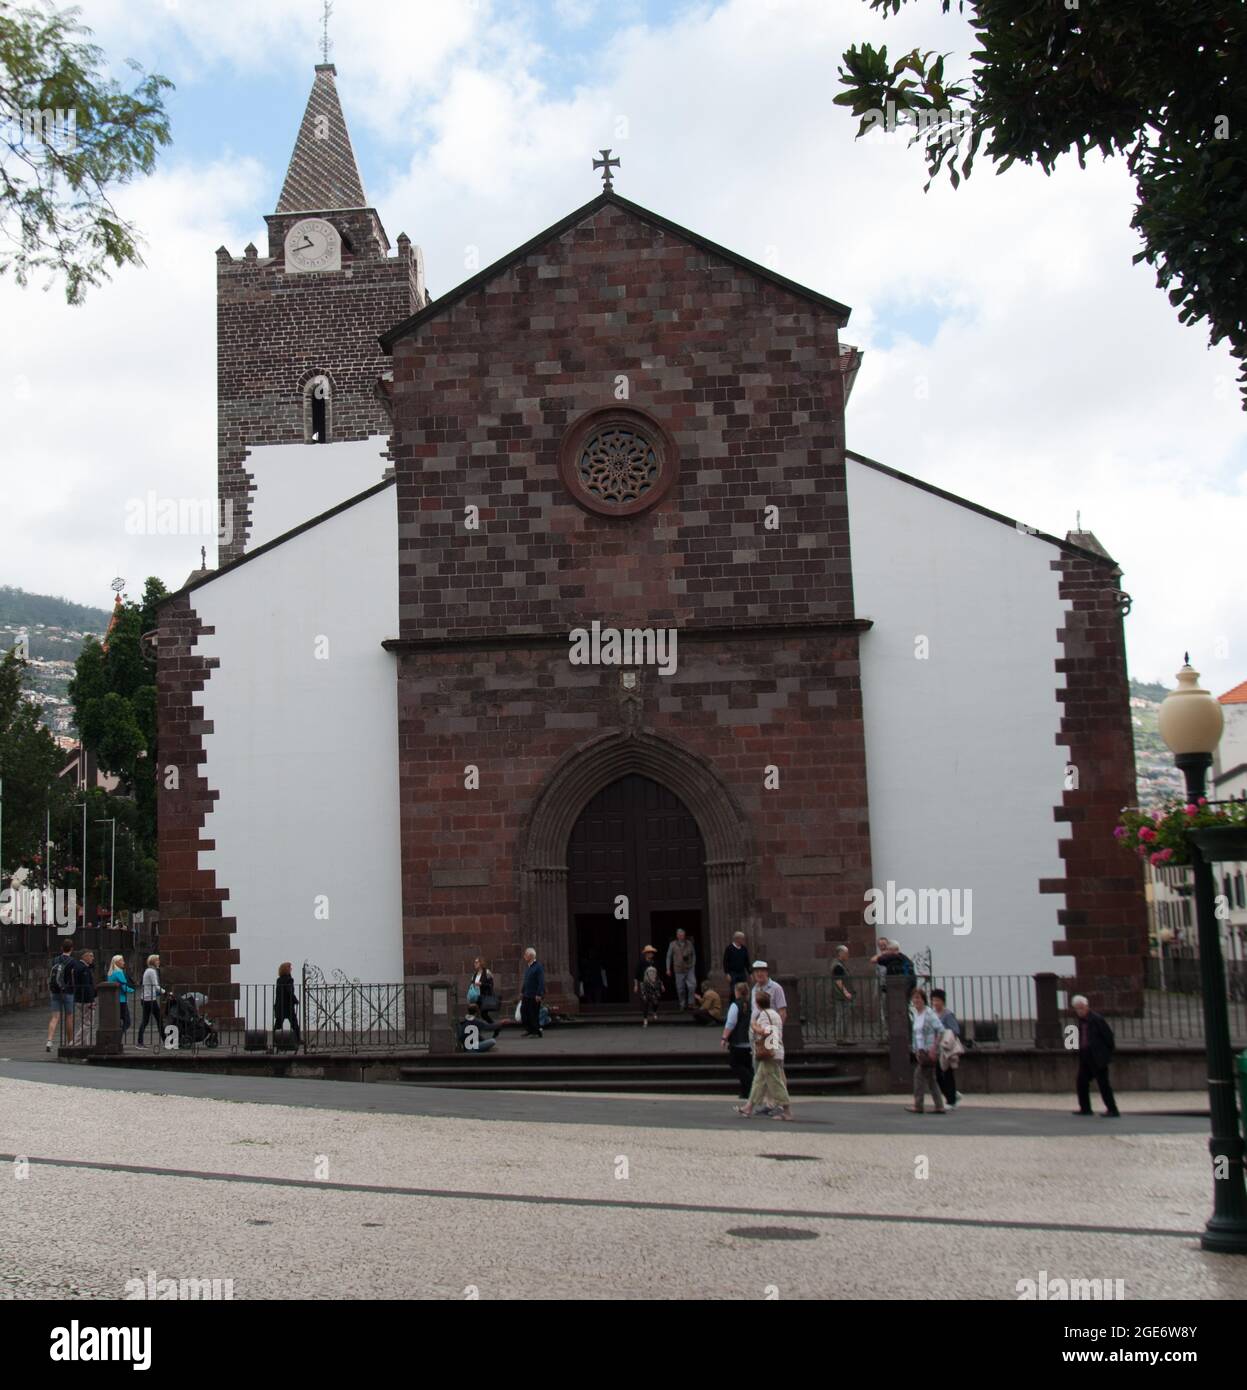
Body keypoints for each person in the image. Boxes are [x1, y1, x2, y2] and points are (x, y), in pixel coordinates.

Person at [736, 989, 793, 1120]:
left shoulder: (763, 1015)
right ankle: (748, 1107)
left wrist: (755, 1027)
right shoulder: (775, 1014)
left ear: (757, 1003)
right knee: (759, 1080)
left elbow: (767, 1031)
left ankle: (787, 1111)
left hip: (769, 1053)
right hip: (777, 1050)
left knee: (774, 1081)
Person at [1071, 995, 1119, 1117]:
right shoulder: (1080, 1021)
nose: (1079, 1011)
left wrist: (1106, 1055)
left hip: (1097, 1057)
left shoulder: (1097, 1019)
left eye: (1081, 1008)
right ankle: (1085, 1108)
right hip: (1086, 1056)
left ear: (1087, 1007)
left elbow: (1108, 1038)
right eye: (1077, 1009)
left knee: (1103, 1084)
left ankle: (1112, 1109)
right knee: (1081, 1082)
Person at [905, 987, 946, 1114]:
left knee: (918, 1076)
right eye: (914, 997)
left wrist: (934, 1047)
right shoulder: (916, 1014)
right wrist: (916, 1050)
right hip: (922, 1051)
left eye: (918, 997)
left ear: (923, 1000)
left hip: (929, 1051)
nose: (916, 1000)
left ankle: (919, 1105)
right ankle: (939, 1105)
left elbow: (940, 1030)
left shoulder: (929, 1014)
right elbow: (916, 1035)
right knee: (931, 1079)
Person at [720, 982, 754, 1099]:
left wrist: (724, 1037)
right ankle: (745, 1092)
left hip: (738, 1041)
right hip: (749, 1041)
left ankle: (751, 1084)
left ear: (737, 992)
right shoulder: (751, 1005)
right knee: (747, 1065)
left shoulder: (735, 1005)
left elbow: (731, 1023)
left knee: (735, 1064)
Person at [931, 988, 963, 1108]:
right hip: (937, 1049)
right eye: (933, 1000)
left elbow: (955, 1030)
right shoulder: (933, 1014)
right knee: (938, 1076)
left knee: (947, 1074)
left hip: (946, 1049)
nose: (935, 1003)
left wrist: (946, 1038)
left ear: (943, 1001)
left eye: (937, 1000)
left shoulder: (948, 1015)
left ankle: (951, 1101)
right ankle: (952, 1095)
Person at [45, 939, 76, 1052]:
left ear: (61, 948)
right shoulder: (73, 961)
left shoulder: (55, 960)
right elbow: (72, 976)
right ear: (72, 949)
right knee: (69, 1016)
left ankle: (49, 1041)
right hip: (68, 991)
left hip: (55, 991)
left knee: (54, 1017)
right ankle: (70, 1042)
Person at [71, 950, 97, 1045]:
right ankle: (75, 1042)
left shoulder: (78, 966)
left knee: (84, 1022)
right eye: (91, 956)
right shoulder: (83, 968)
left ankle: (85, 1043)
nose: (92, 958)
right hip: (86, 1000)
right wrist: (91, 1000)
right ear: (84, 956)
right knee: (88, 1024)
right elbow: (87, 986)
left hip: (78, 998)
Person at [666, 928, 697, 1009]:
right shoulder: (672, 944)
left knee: (692, 986)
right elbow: (668, 957)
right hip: (678, 969)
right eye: (680, 935)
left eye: (683, 935)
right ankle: (682, 1004)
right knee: (680, 989)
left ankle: (691, 1003)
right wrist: (668, 968)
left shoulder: (689, 943)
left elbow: (694, 955)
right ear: (677, 936)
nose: (681, 937)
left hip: (689, 968)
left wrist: (693, 965)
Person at [137, 953, 164, 1047]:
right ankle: (167, 1041)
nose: (159, 962)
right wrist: (165, 992)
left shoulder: (148, 970)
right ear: (153, 961)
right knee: (159, 1020)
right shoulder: (152, 971)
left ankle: (139, 1042)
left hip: (146, 998)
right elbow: (155, 986)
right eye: (157, 960)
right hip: (150, 999)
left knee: (146, 1020)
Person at [106, 954, 134, 1041]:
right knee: (127, 1022)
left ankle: (115, 1038)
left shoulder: (110, 973)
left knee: (116, 1022)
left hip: (113, 1000)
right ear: (117, 962)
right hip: (121, 1000)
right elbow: (124, 986)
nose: (124, 962)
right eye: (122, 960)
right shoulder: (119, 972)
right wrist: (133, 990)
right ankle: (117, 1038)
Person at [273, 961, 301, 1046]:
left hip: (280, 1005)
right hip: (288, 1005)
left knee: (278, 1024)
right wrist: (295, 1000)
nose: (291, 969)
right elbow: (289, 992)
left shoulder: (279, 980)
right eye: (289, 967)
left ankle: (275, 1040)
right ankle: (298, 1039)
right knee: (294, 1024)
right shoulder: (289, 979)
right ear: (286, 969)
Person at [519, 947, 545, 1038]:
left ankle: (536, 1031)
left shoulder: (538, 966)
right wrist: (522, 991)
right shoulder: (529, 967)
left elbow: (541, 981)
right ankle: (529, 1030)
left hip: (534, 995)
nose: (524, 956)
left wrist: (539, 994)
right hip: (526, 994)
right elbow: (526, 981)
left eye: (526, 954)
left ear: (531, 956)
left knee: (533, 1014)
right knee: (524, 1012)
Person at [830, 944, 853, 1045]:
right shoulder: (838, 966)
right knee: (842, 1016)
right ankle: (841, 1038)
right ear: (841, 953)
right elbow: (838, 981)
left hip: (840, 994)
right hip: (840, 995)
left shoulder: (839, 964)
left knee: (843, 1015)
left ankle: (842, 1037)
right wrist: (846, 992)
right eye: (846, 953)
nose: (848, 955)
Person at [467, 957, 497, 1023]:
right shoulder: (474, 975)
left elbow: (491, 985)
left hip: (484, 996)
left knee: (484, 1014)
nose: (474, 964)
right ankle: (473, 1028)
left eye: (476, 962)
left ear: (481, 963)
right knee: (471, 1010)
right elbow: (472, 985)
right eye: (474, 962)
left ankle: (494, 1026)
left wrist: (482, 984)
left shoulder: (487, 972)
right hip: (476, 997)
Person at [633, 945, 660, 1013]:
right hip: (643, 983)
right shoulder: (641, 963)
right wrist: (636, 986)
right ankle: (645, 1015)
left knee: (655, 1000)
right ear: (646, 954)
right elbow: (636, 975)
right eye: (649, 952)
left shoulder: (654, 963)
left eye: (651, 952)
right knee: (645, 1000)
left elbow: (657, 974)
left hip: (653, 984)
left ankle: (654, 1012)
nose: (651, 954)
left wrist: (661, 984)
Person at [723, 930, 750, 995]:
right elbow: (725, 961)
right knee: (733, 990)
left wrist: (750, 972)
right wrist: (727, 973)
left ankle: (743, 1003)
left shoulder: (744, 949)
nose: (743, 940)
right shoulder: (729, 948)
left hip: (742, 973)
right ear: (737, 939)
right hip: (733, 973)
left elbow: (747, 961)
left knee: (744, 989)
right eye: (742, 938)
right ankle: (733, 1004)